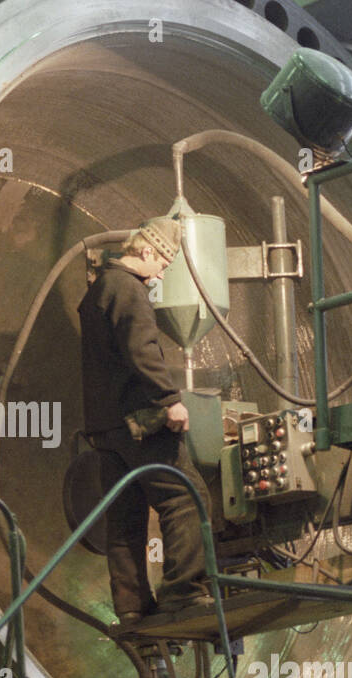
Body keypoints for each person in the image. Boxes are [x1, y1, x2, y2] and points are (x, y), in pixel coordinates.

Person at [78, 215, 215, 628]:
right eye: (163, 264)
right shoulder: (129, 290)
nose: (161, 273)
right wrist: (170, 399)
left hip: (104, 428)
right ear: (147, 250)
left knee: (126, 517)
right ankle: (184, 595)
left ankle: (132, 606)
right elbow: (142, 349)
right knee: (186, 498)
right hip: (139, 421)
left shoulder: (97, 290)